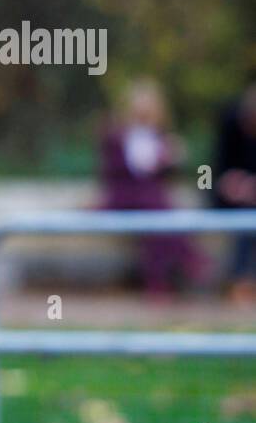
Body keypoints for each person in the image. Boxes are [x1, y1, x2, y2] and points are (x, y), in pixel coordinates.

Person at [95, 79, 205, 296]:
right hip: (123, 199)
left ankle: (159, 282)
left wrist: (171, 159)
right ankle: (186, 258)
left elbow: (165, 176)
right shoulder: (115, 135)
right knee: (156, 211)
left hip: (150, 202)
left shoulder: (161, 136)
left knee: (155, 217)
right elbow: (113, 173)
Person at [211, 78, 256, 303]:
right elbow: (206, 172)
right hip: (231, 200)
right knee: (245, 212)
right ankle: (241, 280)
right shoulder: (230, 123)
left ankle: (242, 280)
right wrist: (226, 182)